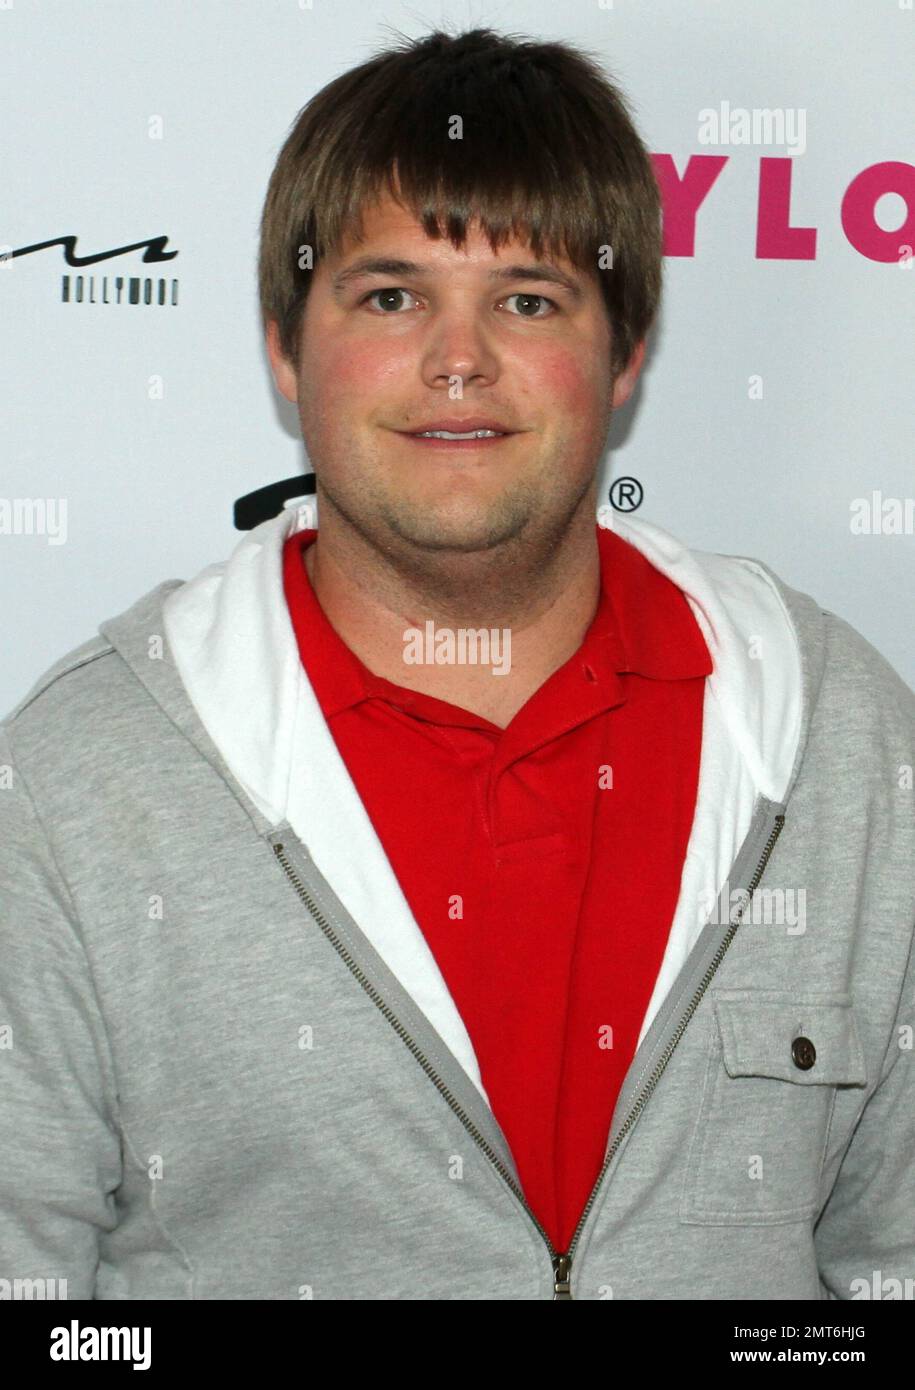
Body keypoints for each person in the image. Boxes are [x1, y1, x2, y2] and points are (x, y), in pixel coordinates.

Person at [1, 26, 913, 1302]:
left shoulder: (845, 741)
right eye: (390, 296)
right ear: (284, 346)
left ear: (626, 355)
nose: (457, 359)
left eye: (529, 300)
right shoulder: (71, 785)